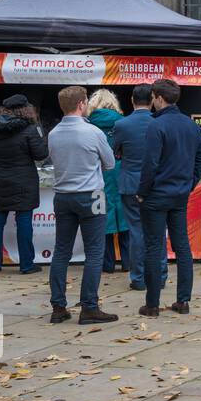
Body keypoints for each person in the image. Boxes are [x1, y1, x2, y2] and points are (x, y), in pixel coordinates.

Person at [136, 78, 201, 317]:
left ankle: (152, 304)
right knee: (183, 247)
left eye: (153, 98)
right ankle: (183, 300)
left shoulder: (156, 126)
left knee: (154, 247)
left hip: (156, 196)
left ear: (158, 98)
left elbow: (150, 164)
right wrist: (189, 183)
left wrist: (142, 191)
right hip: (179, 194)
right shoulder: (190, 125)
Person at [46, 85, 117, 324]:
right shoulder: (93, 132)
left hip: (63, 196)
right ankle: (89, 306)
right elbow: (110, 164)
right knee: (95, 252)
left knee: (61, 251)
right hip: (92, 195)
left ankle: (58, 306)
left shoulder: (53, 134)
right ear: (81, 104)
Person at [0, 93, 47, 276]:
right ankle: (27, 264)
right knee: (24, 221)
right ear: (25, 109)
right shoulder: (29, 129)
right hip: (23, 181)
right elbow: (41, 154)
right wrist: (41, 137)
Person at [111, 84, 163, 293]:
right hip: (156, 184)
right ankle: (158, 276)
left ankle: (139, 277)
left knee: (136, 231)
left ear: (132, 100)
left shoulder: (122, 124)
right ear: (152, 100)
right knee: (157, 231)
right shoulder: (158, 123)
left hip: (131, 183)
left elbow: (114, 151)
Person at [86, 89, 128, 275]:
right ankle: (129, 262)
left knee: (103, 219)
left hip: (98, 175)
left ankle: (107, 263)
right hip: (121, 173)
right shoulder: (123, 123)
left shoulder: (87, 125)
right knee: (125, 218)